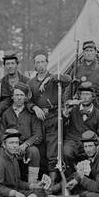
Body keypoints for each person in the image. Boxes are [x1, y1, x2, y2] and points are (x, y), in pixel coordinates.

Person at [27, 52, 73, 187]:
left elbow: (68, 79)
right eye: (37, 62)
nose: (40, 65)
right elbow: (28, 101)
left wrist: (49, 79)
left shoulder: (55, 79)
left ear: (47, 63)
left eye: (43, 62)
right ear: (34, 65)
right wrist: (35, 107)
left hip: (53, 117)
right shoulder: (31, 82)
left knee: (53, 149)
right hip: (38, 119)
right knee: (40, 148)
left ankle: (53, 181)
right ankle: (41, 180)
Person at [0, 85, 44, 187]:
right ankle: (5, 183)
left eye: (21, 95)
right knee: (1, 153)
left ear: (25, 97)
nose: (19, 98)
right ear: (12, 97)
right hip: (10, 145)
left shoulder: (31, 113)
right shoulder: (6, 113)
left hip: (26, 146)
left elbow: (37, 134)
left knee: (34, 152)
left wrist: (25, 145)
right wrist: (11, 146)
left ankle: (32, 182)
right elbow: (1, 134)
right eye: (16, 95)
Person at [61, 81, 99, 168]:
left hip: (89, 142)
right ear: (79, 96)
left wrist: (97, 144)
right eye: (83, 94)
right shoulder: (73, 109)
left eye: (87, 94)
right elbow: (60, 124)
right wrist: (66, 112)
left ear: (93, 97)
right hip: (72, 140)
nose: (85, 97)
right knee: (66, 153)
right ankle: (71, 176)